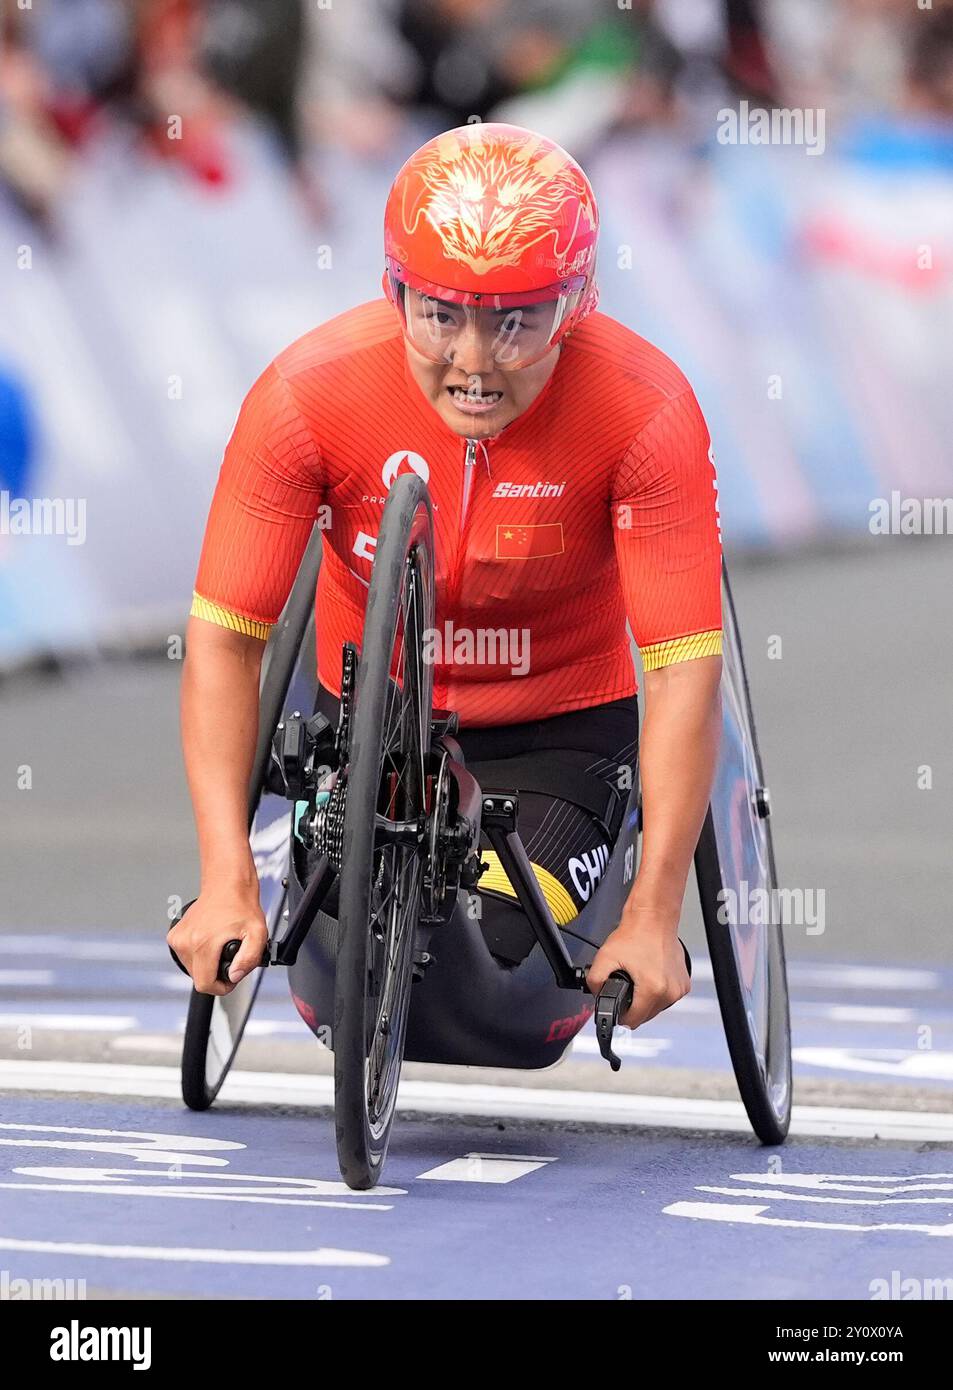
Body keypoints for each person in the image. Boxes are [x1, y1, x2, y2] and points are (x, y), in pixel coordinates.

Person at [168, 121, 722, 1032]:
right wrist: (225, 880)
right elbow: (229, 638)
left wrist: (655, 917)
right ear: (394, 292)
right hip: (370, 724)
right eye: (439, 314)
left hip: (560, 731)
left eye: (514, 320)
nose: (472, 360)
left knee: (500, 959)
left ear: (575, 302)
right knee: (337, 962)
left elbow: (679, 666)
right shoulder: (307, 395)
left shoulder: (644, 409)